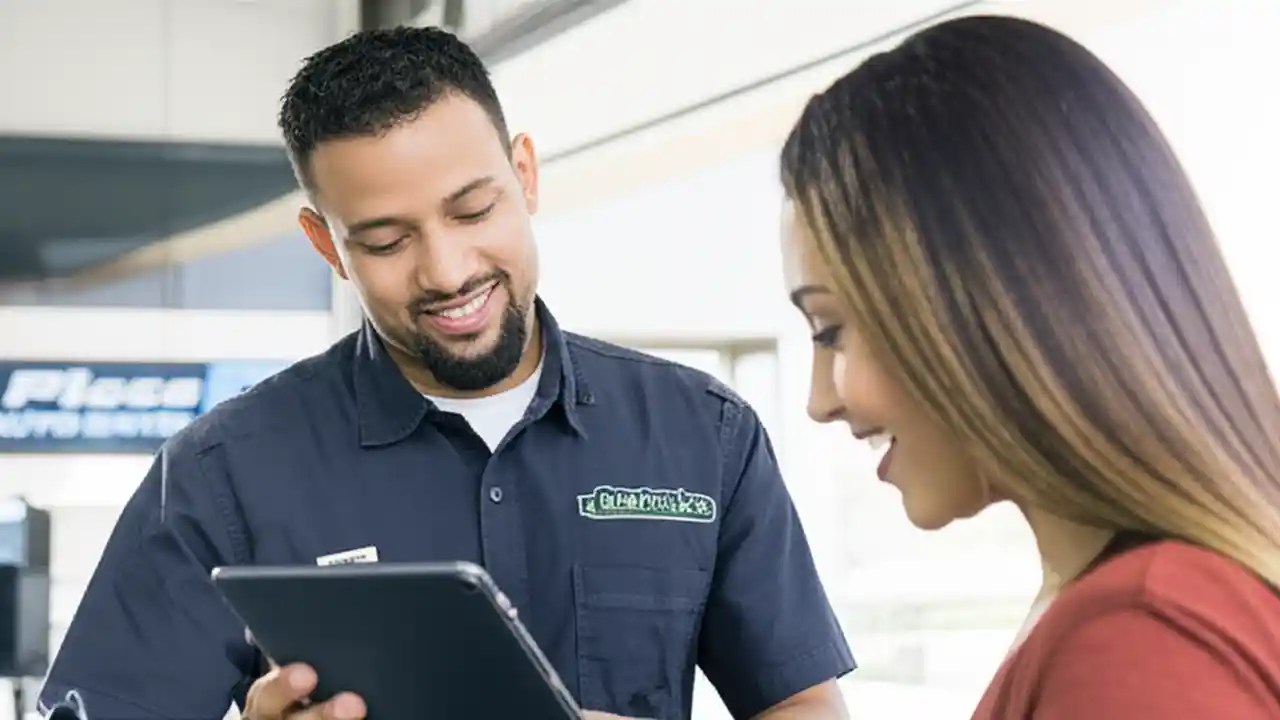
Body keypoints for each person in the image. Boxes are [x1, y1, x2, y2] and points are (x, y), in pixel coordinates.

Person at [38, 26, 853, 720]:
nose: (447, 269)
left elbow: (802, 706)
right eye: (388, 242)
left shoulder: (702, 436)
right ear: (328, 245)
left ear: (524, 175)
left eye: (473, 211)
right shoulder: (222, 475)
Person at [779, 14, 1280, 720]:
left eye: (831, 329)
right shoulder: (1155, 610)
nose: (818, 402)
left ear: (980, 303)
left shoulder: (1140, 641)